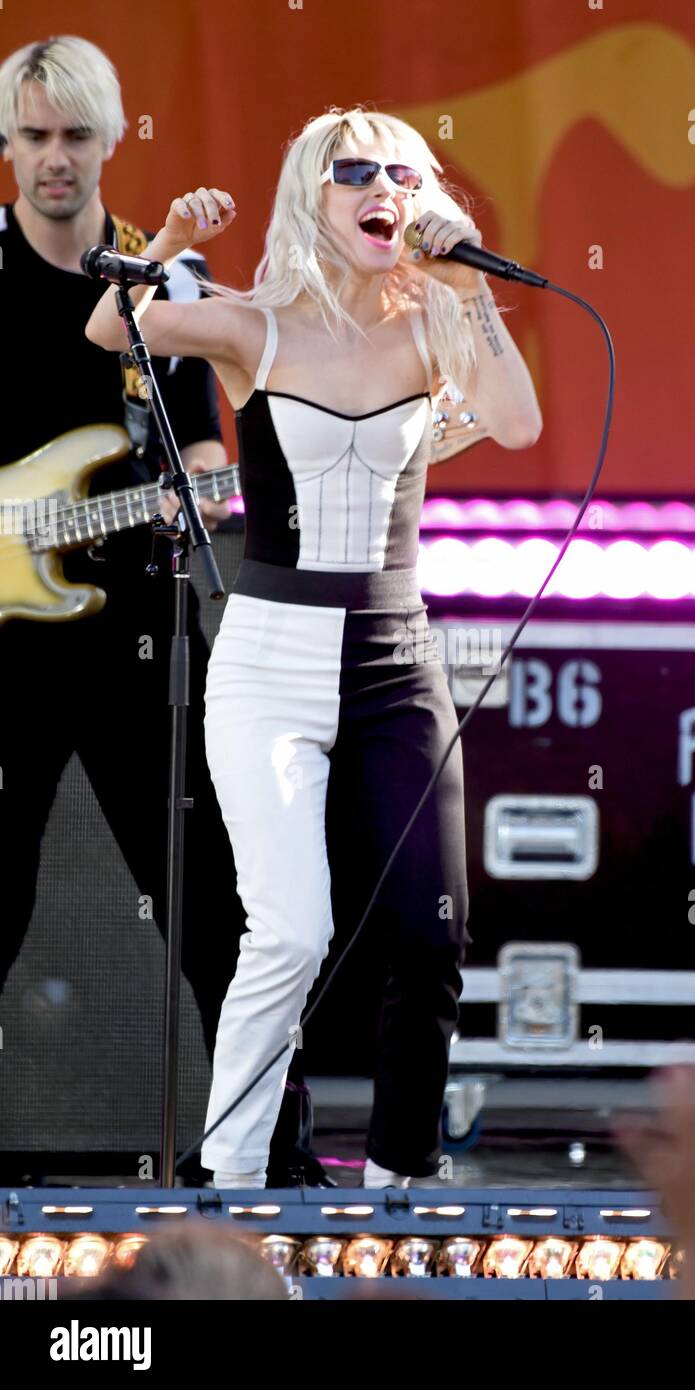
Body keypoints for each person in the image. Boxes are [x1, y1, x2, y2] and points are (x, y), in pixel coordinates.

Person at [86, 105, 542, 1190]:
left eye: (398, 170)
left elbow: (516, 421)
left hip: (394, 651)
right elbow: (116, 333)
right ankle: (231, 1175)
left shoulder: (435, 319)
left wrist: (468, 285)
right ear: (311, 194)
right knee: (290, 934)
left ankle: (401, 1178)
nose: (378, 185)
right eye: (351, 171)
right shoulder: (257, 322)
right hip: (272, 652)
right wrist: (154, 256)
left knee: (431, 935)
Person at [0, 35, 310, 1186]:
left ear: (112, 139)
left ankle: (270, 1155)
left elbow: (202, 458)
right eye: (33, 136)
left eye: (75, 136)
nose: (53, 161)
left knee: (216, 908)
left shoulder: (162, 281)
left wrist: (198, 505)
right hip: (8, 658)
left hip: (135, 638)